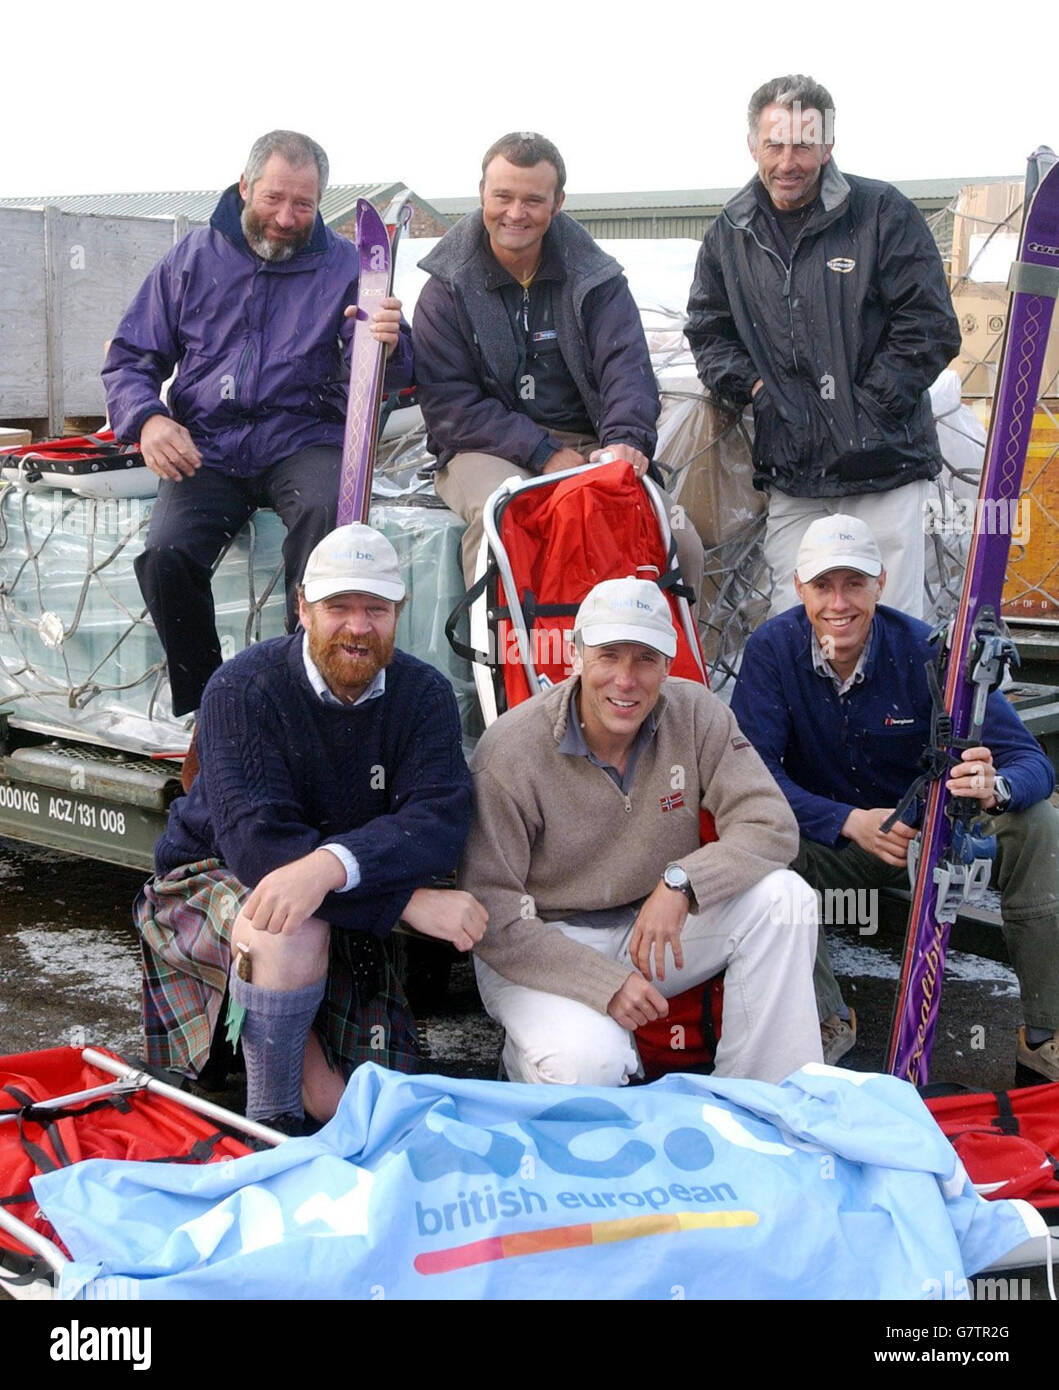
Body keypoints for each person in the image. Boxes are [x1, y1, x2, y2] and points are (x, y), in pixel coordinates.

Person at [134, 524, 484, 1131]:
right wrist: (402, 902)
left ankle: (296, 1059)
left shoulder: (422, 694)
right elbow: (257, 845)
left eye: (375, 608)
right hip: (217, 875)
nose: (357, 626)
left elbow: (438, 819)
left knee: (372, 1103)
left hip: (337, 889)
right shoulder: (242, 688)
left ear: (398, 612)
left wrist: (329, 868)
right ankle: (274, 1120)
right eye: (338, 607)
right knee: (286, 924)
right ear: (302, 607)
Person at [730, 515, 1059, 1079]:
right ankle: (824, 1017)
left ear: (880, 584)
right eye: (823, 585)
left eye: (854, 583)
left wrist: (993, 787)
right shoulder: (771, 650)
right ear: (798, 588)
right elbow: (750, 778)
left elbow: (1032, 761)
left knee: (1040, 827)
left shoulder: (928, 650)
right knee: (757, 847)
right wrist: (846, 820)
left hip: (938, 839)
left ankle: (1045, 1030)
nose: (839, 602)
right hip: (834, 845)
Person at [460, 575, 822, 1087]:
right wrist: (605, 984)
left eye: (645, 659)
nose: (626, 680)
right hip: (539, 943)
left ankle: (760, 1102)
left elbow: (771, 825)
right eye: (608, 655)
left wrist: (682, 881)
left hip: (649, 928)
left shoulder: (697, 713)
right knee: (587, 1066)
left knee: (787, 899)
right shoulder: (511, 750)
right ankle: (531, 1066)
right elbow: (492, 915)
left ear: (668, 665)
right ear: (575, 655)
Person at [104, 130, 413, 718]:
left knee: (330, 527)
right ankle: (211, 707)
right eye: (273, 199)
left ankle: (303, 701)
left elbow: (374, 375)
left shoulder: (348, 265)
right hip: (209, 446)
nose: (286, 217)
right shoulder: (191, 258)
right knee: (166, 555)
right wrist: (146, 420)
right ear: (245, 186)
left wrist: (390, 346)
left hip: (303, 437)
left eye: (303, 204)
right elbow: (130, 357)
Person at [686, 75, 961, 618]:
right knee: (797, 630)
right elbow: (708, 332)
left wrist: (863, 414)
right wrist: (759, 391)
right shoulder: (730, 233)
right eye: (775, 144)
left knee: (888, 628)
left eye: (803, 145)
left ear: (828, 145)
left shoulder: (883, 213)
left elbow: (929, 326)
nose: (788, 161)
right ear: (752, 145)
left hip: (885, 472)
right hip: (793, 475)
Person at [413, 131, 704, 595]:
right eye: (503, 196)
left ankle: (664, 664)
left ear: (558, 202)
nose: (515, 213)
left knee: (679, 538)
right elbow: (451, 408)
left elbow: (627, 371)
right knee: (508, 515)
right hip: (484, 447)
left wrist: (626, 440)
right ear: (482, 194)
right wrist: (542, 453)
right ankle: (505, 664)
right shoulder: (445, 288)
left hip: (587, 443)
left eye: (532, 199)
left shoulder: (597, 278)